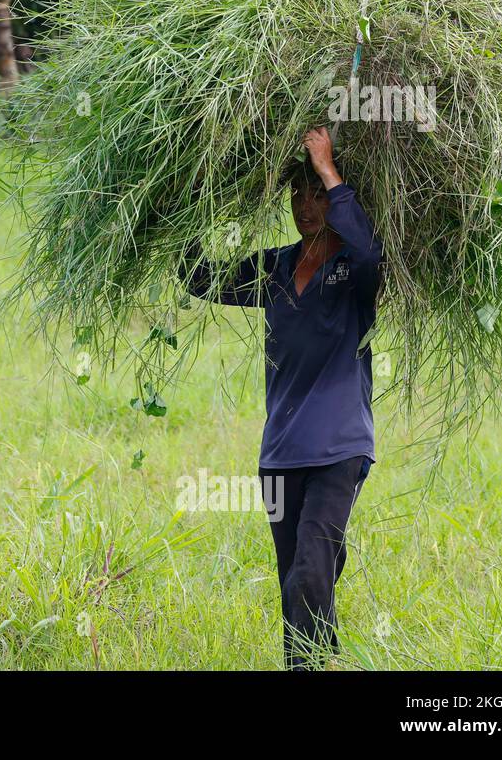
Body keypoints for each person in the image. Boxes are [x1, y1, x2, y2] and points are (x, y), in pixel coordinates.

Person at [181, 126, 382, 669]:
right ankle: (313, 665)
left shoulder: (356, 272)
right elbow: (198, 279)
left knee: (310, 573)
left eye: (317, 195)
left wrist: (327, 168)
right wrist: (197, 195)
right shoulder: (275, 269)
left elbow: (367, 247)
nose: (307, 207)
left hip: (339, 450)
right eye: (299, 195)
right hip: (279, 457)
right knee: (295, 583)